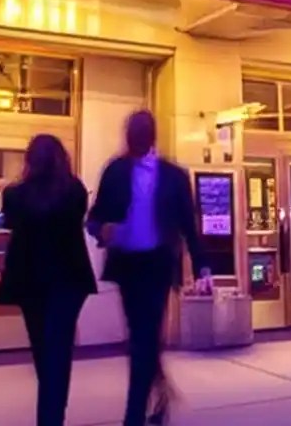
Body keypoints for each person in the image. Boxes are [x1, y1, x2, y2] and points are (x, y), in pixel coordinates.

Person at [87, 110, 211, 426]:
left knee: (143, 337)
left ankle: (134, 416)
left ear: (151, 135)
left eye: (141, 132)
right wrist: (104, 231)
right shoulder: (115, 171)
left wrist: (203, 267)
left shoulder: (174, 176)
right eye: (133, 132)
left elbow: (189, 225)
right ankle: (159, 397)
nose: (136, 137)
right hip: (128, 265)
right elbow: (95, 217)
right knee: (143, 338)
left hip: (158, 265)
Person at [0, 135, 98, 426]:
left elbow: (10, 223)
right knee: (59, 348)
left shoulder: (15, 195)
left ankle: (51, 414)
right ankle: (53, 415)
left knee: (42, 347)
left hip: (30, 281)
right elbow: (76, 220)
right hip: (69, 280)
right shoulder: (74, 191)